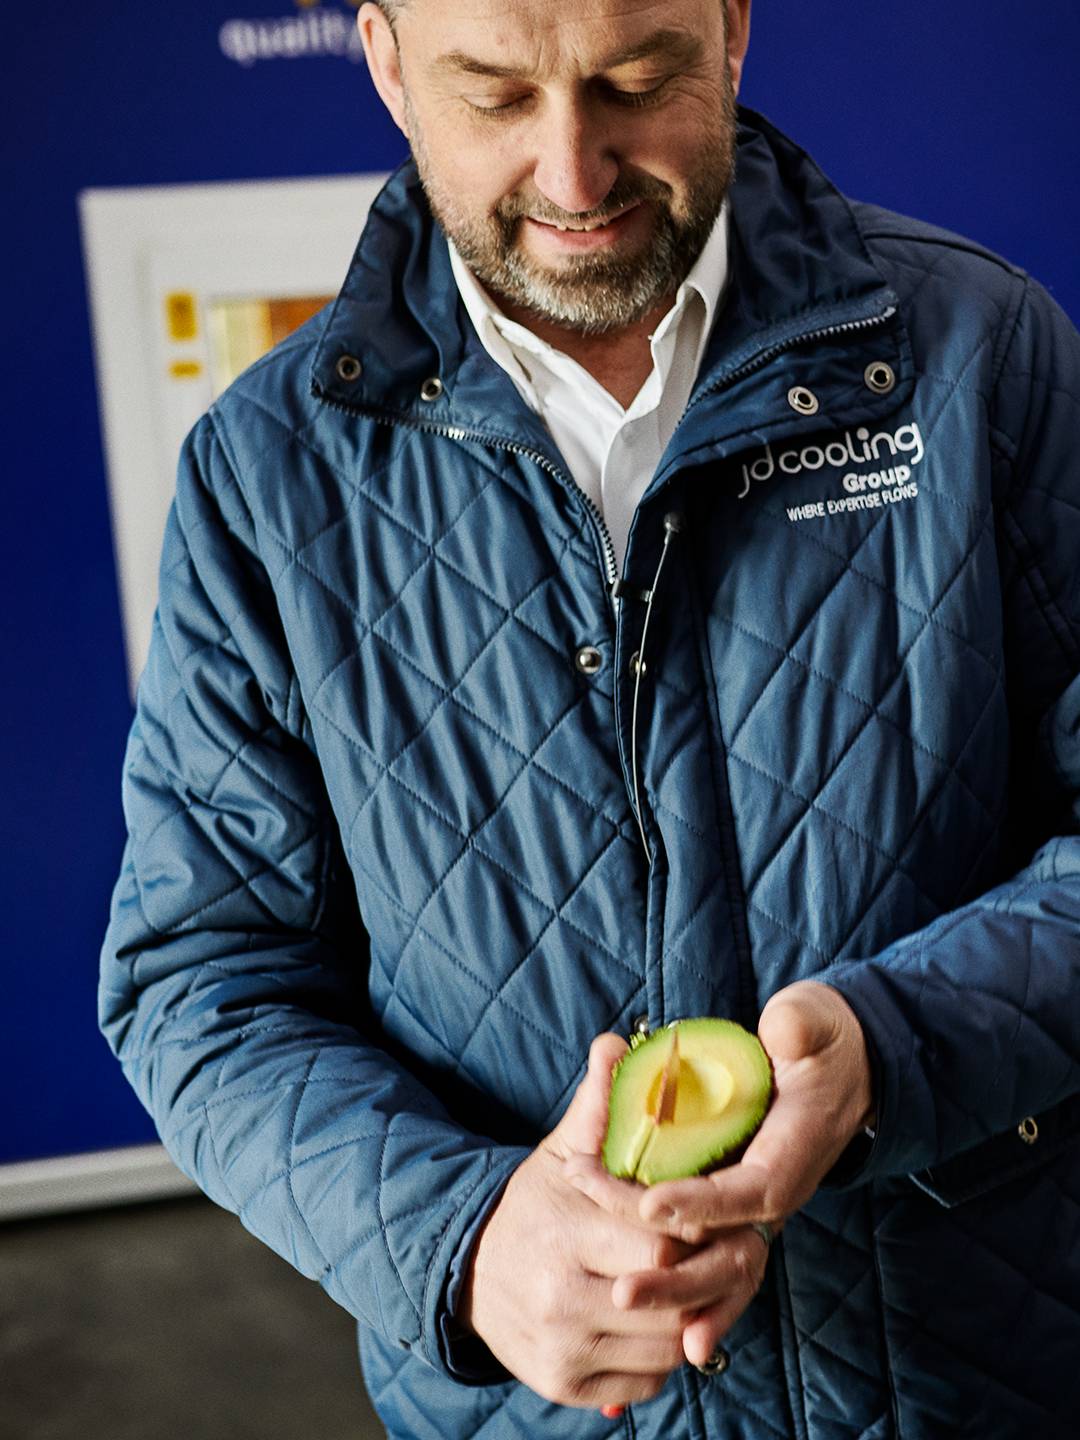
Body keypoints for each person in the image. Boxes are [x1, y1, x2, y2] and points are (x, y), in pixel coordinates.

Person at [99, 1, 1080, 1435]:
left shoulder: (979, 353)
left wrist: (897, 1045)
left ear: (732, 31)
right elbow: (199, 976)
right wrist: (466, 1239)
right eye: (494, 97)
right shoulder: (269, 475)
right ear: (383, 63)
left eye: (634, 81)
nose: (574, 173)